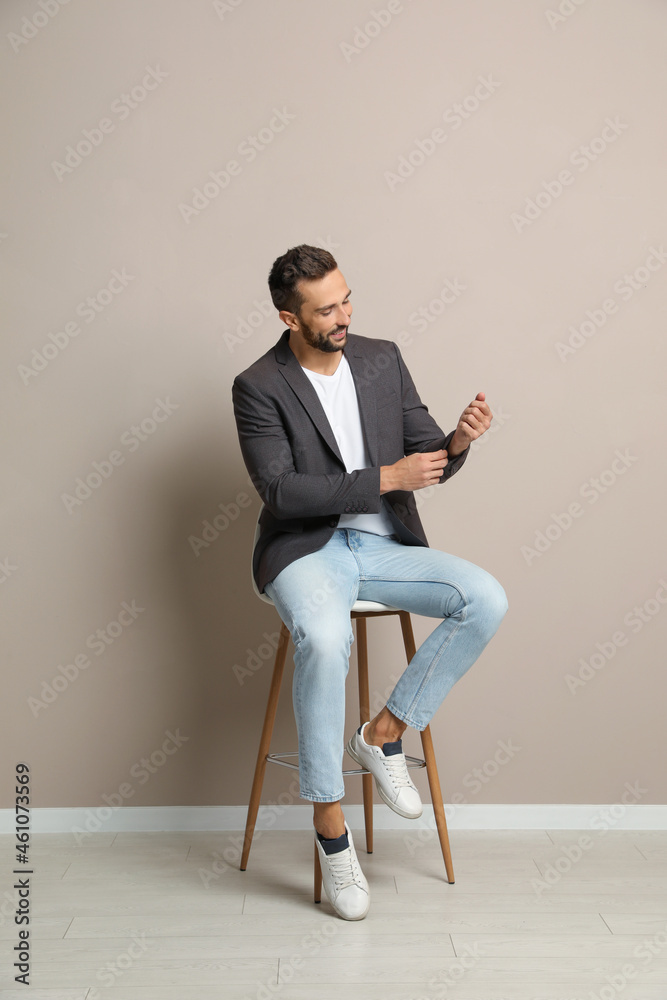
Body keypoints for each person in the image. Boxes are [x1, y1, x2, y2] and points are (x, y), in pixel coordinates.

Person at [232, 245, 507, 920]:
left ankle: (384, 732)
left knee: (485, 598)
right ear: (287, 317)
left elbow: (426, 455)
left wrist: (460, 441)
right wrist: (385, 478)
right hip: (306, 549)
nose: (343, 316)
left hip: (383, 543)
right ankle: (332, 835)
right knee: (324, 643)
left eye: (346, 299)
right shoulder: (258, 384)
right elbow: (282, 490)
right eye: (325, 309)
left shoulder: (381, 359)